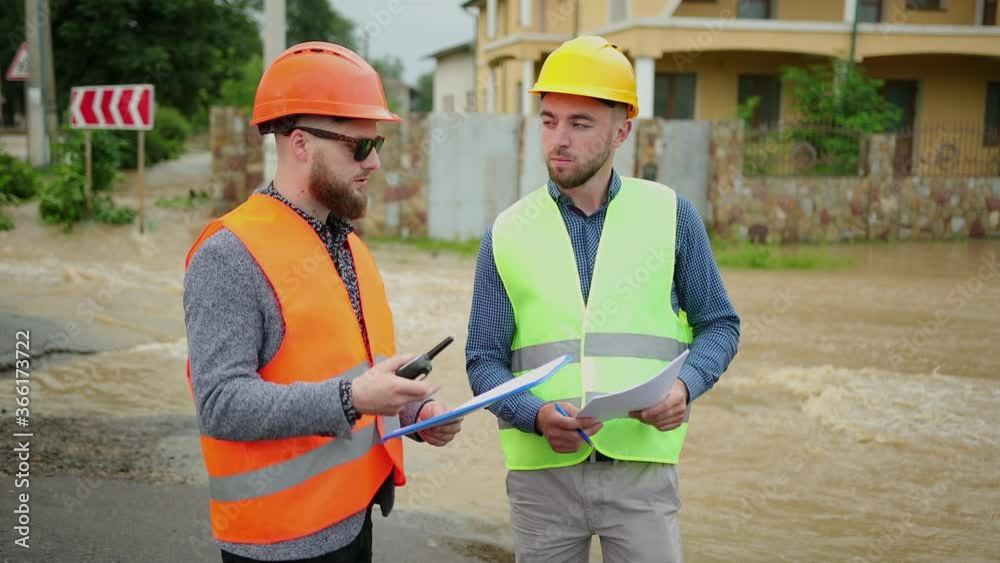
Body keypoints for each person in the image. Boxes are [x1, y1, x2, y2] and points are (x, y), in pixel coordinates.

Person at [183, 41, 462, 563]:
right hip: (280, 543)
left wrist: (414, 410)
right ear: (301, 144)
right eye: (360, 145)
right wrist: (353, 399)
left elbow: (352, 372)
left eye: (376, 143)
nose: (375, 162)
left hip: (353, 518)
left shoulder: (347, 244)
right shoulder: (229, 255)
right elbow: (220, 404)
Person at [465, 35, 740, 563]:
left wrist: (686, 385)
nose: (558, 139)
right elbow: (483, 363)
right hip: (542, 481)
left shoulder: (671, 215)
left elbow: (720, 325)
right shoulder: (505, 233)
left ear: (622, 130)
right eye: (549, 120)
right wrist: (535, 413)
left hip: (642, 476)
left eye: (579, 123)